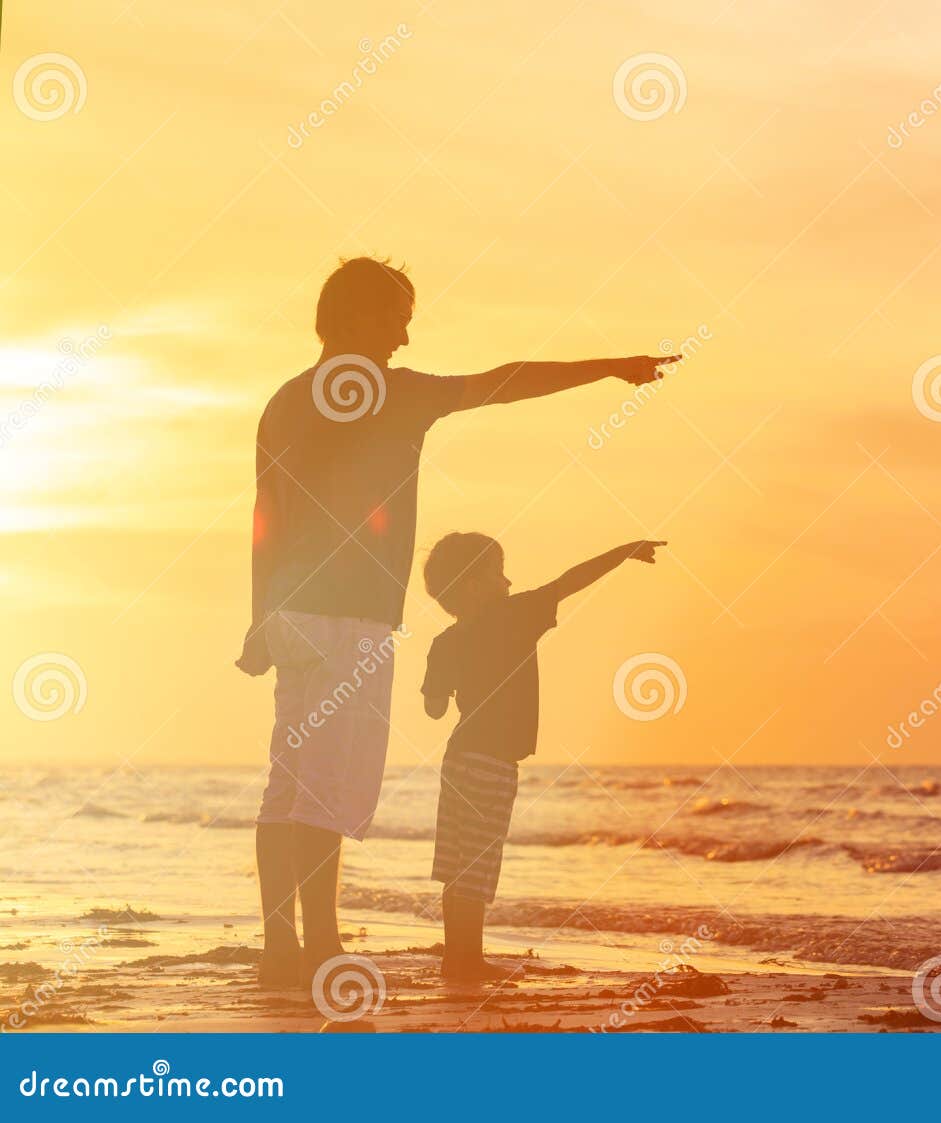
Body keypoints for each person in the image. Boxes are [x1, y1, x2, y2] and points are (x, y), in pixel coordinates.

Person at [236, 256, 678, 989]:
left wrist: (260, 619)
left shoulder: (284, 401)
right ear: (352, 317)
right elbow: (506, 383)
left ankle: (283, 942)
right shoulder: (395, 395)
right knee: (323, 785)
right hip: (350, 619)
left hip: (291, 613)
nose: (405, 337)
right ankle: (318, 945)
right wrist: (608, 367)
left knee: (288, 783)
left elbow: (263, 516)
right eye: (395, 317)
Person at [420, 532, 666, 981]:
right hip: (491, 762)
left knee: (457, 862)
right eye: (498, 571)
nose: (508, 580)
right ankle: (467, 961)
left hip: (458, 758)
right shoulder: (514, 615)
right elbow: (570, 581)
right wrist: (622, 550)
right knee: (477, 860)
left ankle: (456, 957)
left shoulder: (445, 641)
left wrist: (447, 684)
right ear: (473, 583)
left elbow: (433, 706)